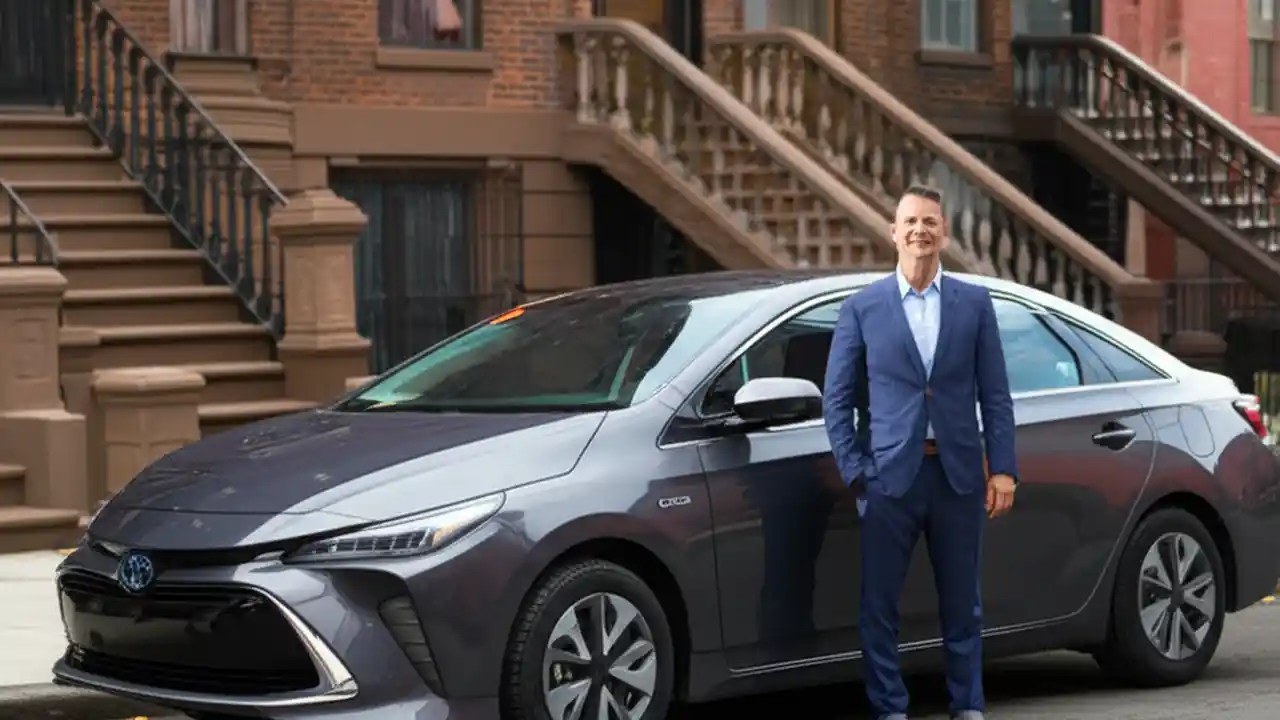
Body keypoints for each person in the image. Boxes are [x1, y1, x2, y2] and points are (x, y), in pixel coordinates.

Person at [821, 185, 1018, 720]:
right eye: (910, 221)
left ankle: (968, 707)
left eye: (930, 221)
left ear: (944, 233)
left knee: (963, 606)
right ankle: (890, 709)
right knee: (879, 608)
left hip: (957, 477)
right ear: (893, 231)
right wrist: (859, 473)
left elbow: (995, 396)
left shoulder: (974, 304)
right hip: (889, 481)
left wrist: (1001, 469)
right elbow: (836, 402)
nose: (919, 231)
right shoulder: (862, 309)